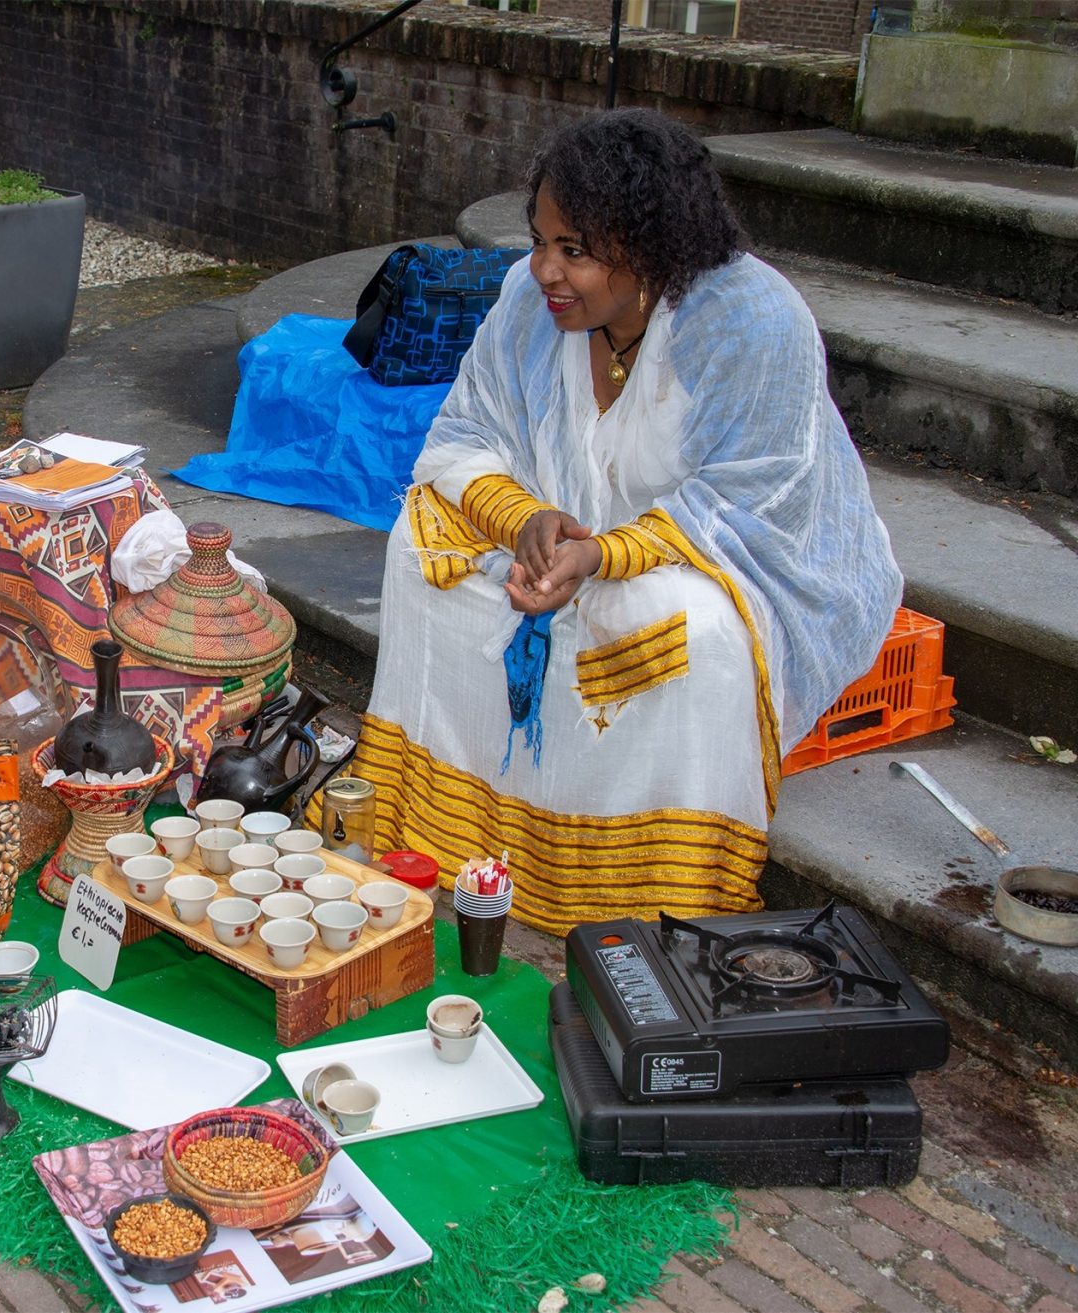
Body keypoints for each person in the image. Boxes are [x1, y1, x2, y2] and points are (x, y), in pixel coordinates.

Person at [353, 109, 900, 933]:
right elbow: (464, 437)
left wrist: (602, 556)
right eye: (540, 241)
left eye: (574, 250)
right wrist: (528, 523)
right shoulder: (527, 298)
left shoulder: (754, 320)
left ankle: (634, 885)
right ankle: (459, 830)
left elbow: (747, 504)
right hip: (564, 540)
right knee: (418, 546)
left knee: (693, 629)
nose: (544, 270)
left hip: (718, 557)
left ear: (648, 248)